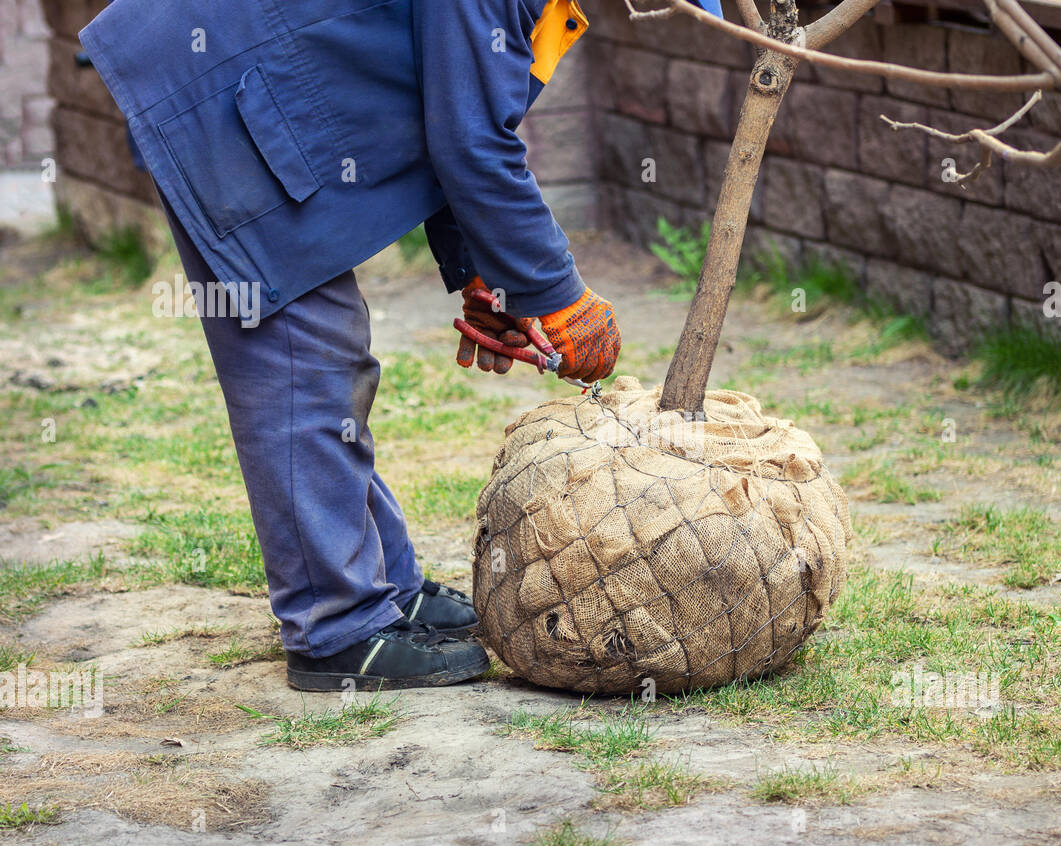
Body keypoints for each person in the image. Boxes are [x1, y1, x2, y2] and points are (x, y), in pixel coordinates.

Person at [78, 0, 722, 691]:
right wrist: (556, 295)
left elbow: (444, 110)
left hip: (257, 73)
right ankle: (336, 629)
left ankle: (381, 584)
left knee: (329, 358)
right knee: (302, 359)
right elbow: (473, 145)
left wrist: (485, 271)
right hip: (215, 82)